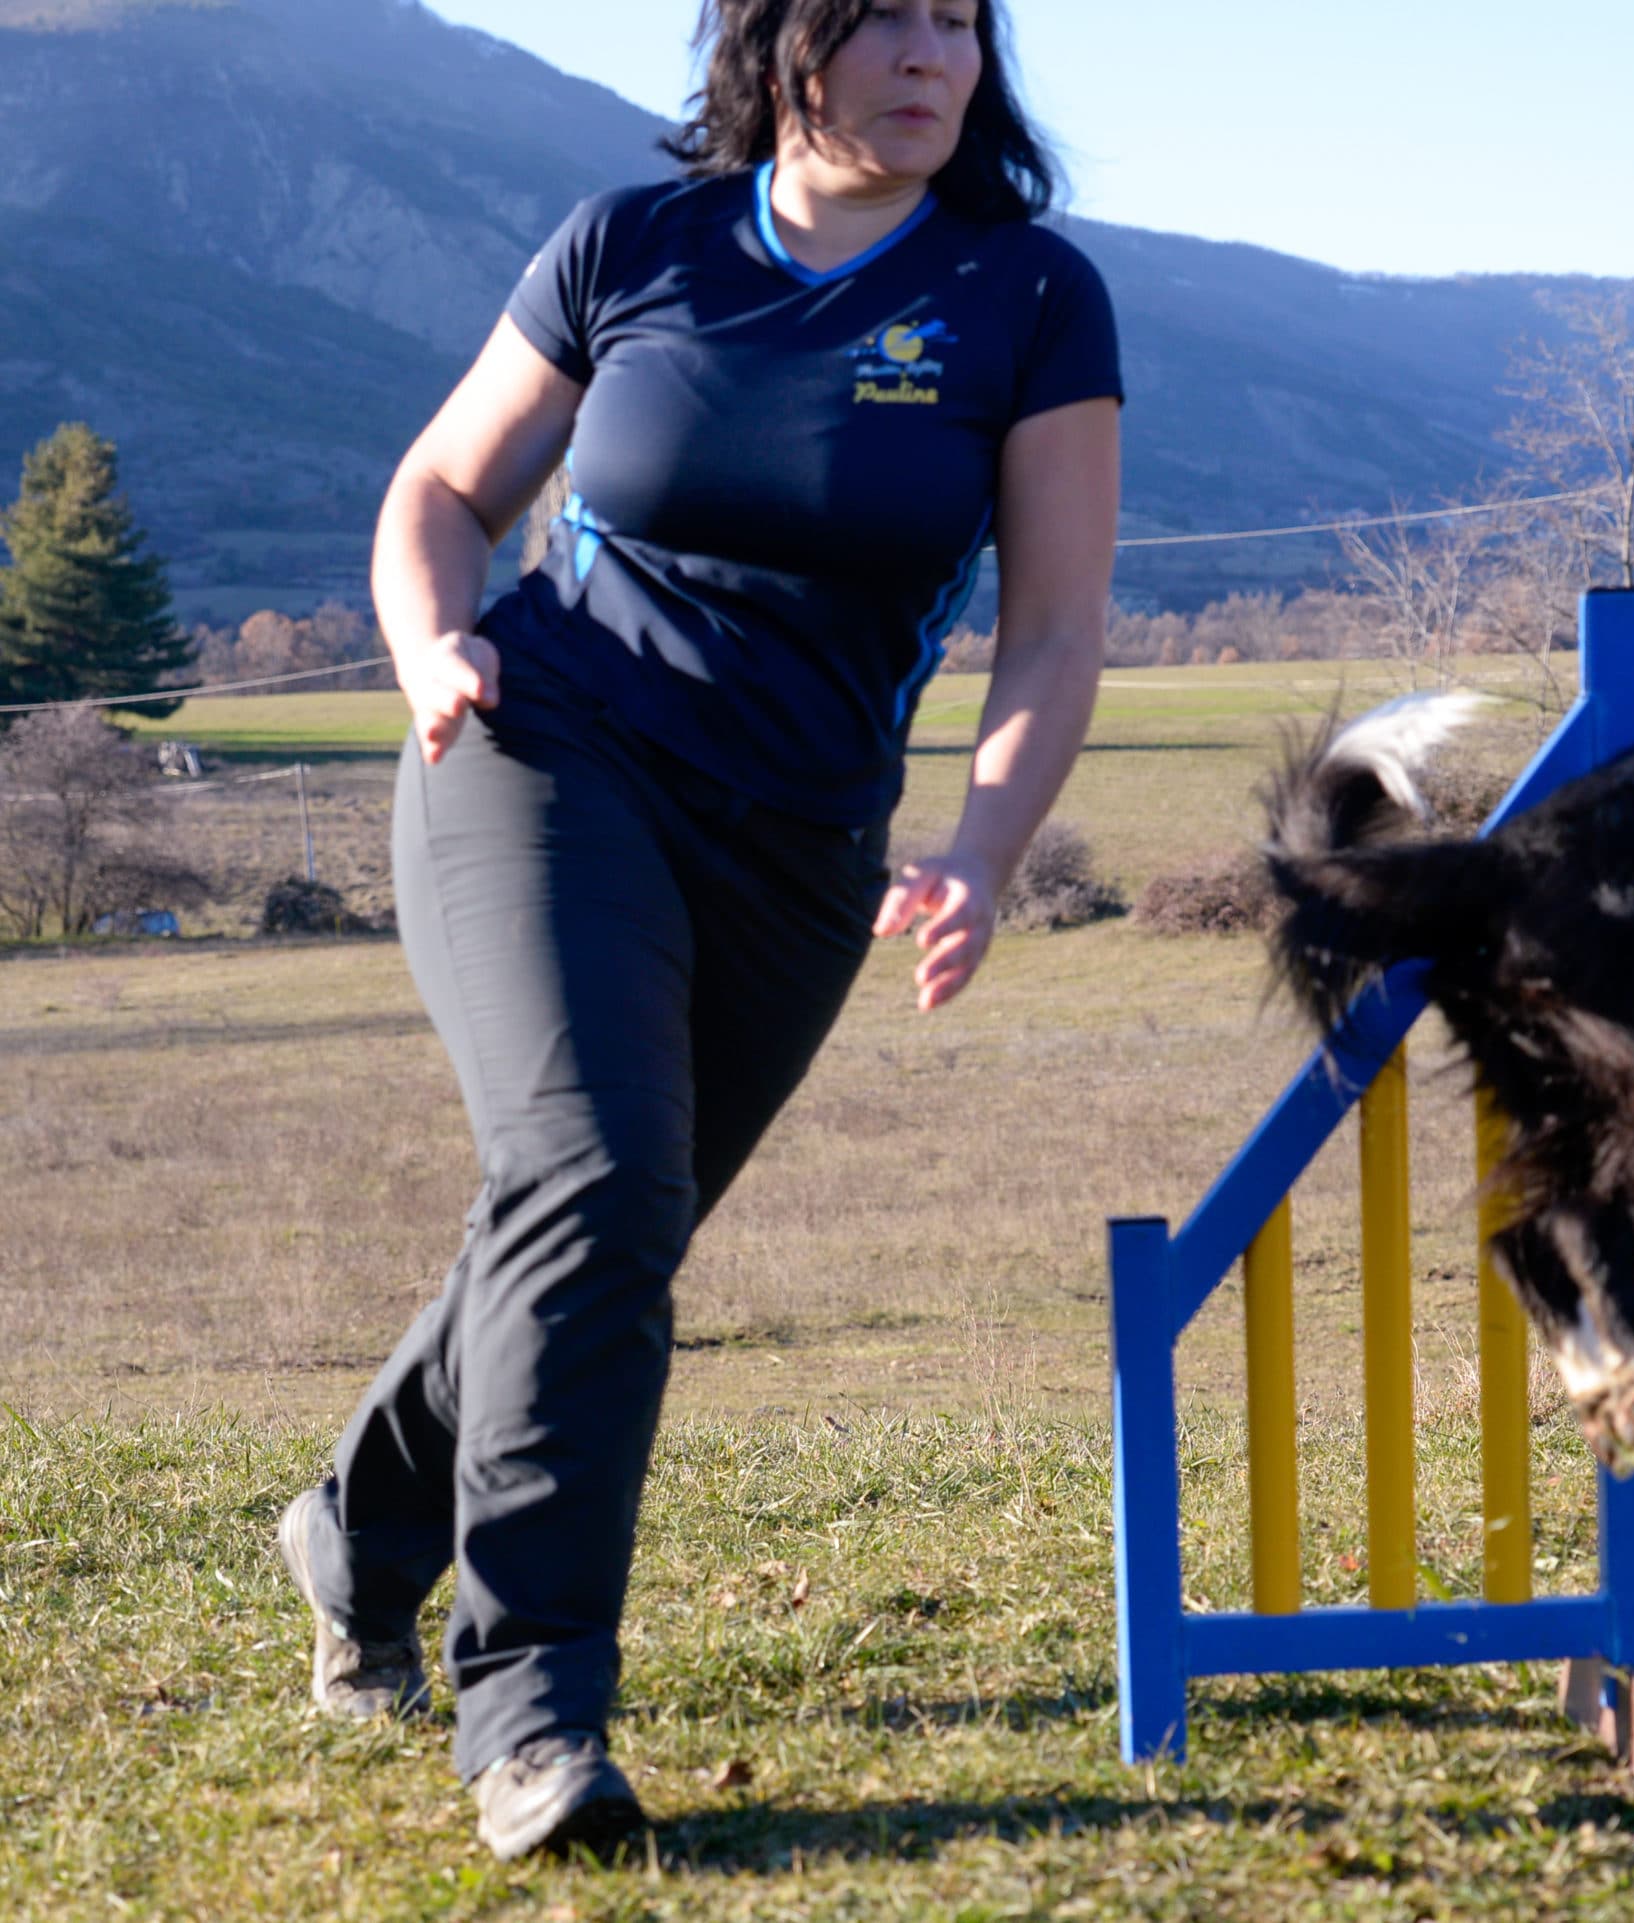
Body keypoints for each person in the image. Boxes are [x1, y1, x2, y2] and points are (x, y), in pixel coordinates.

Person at [270, 0, 1119, 1860]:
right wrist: (436, 647)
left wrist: (982, 843)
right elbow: (441, 488)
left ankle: (353, 1532)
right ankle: (537, 1714)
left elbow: (1054, 632)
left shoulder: (1027, 294)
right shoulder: (632, 246)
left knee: (590, 1219)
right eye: (883, 13)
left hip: (802, 846)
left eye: (961, 21)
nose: (932, 54)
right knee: (592, 1180)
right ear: (781, 40)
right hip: (540, 755)